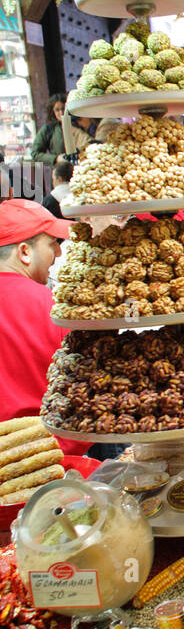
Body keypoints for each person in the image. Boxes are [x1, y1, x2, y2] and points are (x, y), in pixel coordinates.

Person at [0, 199, 89, 455]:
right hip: (49, 455)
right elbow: (82, 394)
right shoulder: (54, 308)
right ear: (25, 252)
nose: (58, 254)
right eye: (52, 244)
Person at [28, 94, 67, 165]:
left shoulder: (77, 125)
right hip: (60, 172)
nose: (61, 113)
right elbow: (35, 153)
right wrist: (55, 158)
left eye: (63, 109)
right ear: (53, 112)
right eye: (57, 110)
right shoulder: (49, 129)